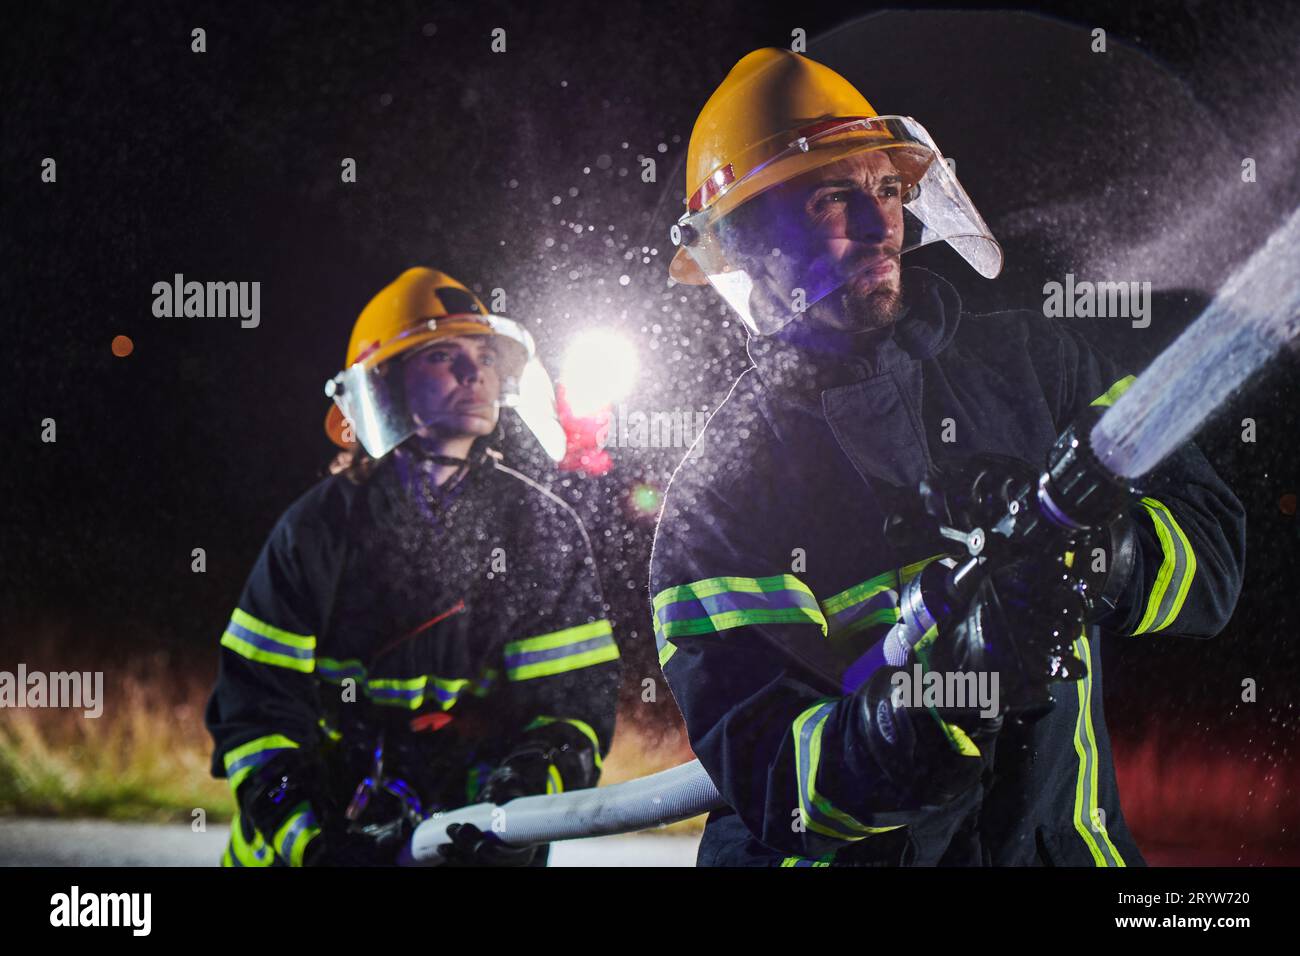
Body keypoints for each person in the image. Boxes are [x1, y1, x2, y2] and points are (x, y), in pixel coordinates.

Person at [650, 48, 1245, 866]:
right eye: (834, 198)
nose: (879, 224)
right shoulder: (720, 499)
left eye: (888, 189)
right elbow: (789, 796)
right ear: (749, 242)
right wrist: (949, 696)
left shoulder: (1039, 368)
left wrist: (1108, 558)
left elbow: (1212, 557)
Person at [205, 267, 621, 866]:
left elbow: (570, 711)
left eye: (483, 355)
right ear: (387, 384)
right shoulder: (316, 531)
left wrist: (511, 809)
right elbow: (257, 714)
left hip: (474, 845)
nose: (475, 371)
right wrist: (317, 845)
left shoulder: (540, 530)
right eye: (443, 356)